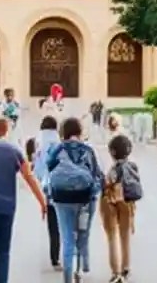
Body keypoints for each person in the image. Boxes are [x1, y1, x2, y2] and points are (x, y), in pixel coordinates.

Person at [0, 116, 48, 283]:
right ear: (7, 130)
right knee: (3, 252)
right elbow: (29, 177)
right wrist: (42, 202)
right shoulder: (15, 151)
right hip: (6, 208)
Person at [45, 116, 104, 283]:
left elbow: (49, 169)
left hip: (61, 199)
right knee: (82, 235)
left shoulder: (57, 149)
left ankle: (67, 278)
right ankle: (80, 271)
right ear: (79, 131)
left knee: (67, 238)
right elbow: (96, 173)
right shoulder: (87, 150)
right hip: (85, 199)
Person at [100, 134, 141, 283]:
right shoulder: (133, 166)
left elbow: (107, 183)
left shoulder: (114, 169)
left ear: (112, 152)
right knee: (125, 236)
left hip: (111, 201)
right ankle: (126, 267)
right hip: (128, 203)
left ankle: (116, 272)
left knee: (112, 237)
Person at [29, 115, 64, 269]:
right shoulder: (59, 141)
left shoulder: (38, 141)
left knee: (52, 224)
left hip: (47, 186)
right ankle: (66, 255)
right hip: (61, 185)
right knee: (64, 222)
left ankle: (54, 256)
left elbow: (36, 165)